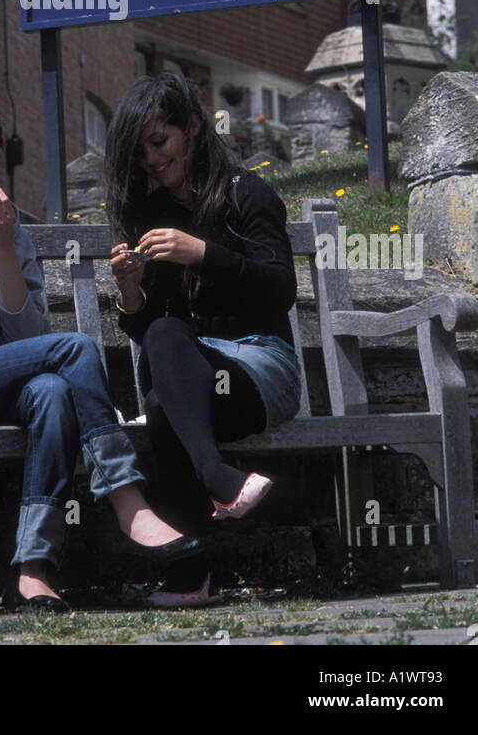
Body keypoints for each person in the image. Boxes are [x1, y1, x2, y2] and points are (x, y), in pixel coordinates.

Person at [0, 94, 203, 612]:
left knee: (50, 391)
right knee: (74, 348)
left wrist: (2, 246)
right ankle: (126, 497)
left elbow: (27, 336)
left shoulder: (9, 227)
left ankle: (34, 570)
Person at [105, 73, 302, 607]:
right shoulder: (150, 217)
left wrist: (203, 253)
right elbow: (157, 338)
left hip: (261, 367)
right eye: (140, 149)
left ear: (193, 126)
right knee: (163, 387)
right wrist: (130, 297)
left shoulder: (248, 194)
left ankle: (189, 571)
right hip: (193, 380)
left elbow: (280, 288)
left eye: (159, 141)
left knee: (165, 401)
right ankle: (220, 491)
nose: (150, 159)